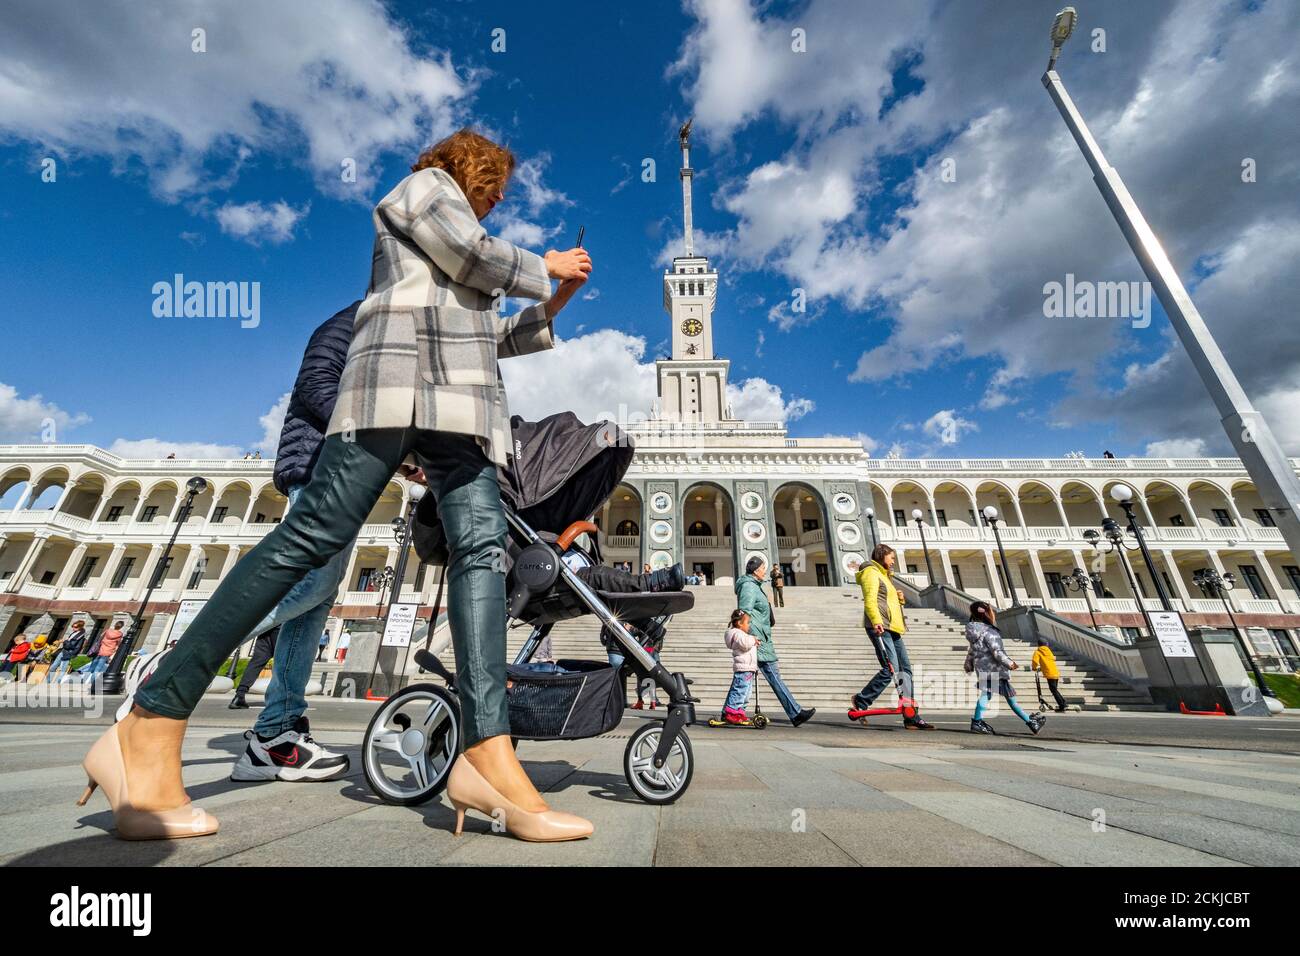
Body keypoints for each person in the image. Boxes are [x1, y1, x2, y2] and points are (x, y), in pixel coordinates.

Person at [82, 128, 593, 843]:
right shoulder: (422, 192)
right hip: (394, 386)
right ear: (466, 166)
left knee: (482, 553)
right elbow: (476, 254)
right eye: (495, 182)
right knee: (313, 535)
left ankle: (487, 752)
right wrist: (545, 262)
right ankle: (151, 718)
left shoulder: (460, 268)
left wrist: (558, 297)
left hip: (460, 408)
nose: (500, 196)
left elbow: (493, 336)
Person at [852, 545, 934, 730]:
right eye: (891, 557)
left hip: (894, 627)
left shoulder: (884, 575)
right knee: (890, 669)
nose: (893, 560)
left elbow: (886, 601)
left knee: (905, 671)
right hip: (881, 626)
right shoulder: (870, 572)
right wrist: (875, 620)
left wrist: (899, 599)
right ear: (882, 556)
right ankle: (861, 699)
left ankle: (911, 715)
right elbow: (870, 599)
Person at [736, 554, 815, 727]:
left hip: (761, 635)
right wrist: (748, 636)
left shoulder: (754, 585)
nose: (765, 572)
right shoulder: (749, 587)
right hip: (757, 638)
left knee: (745, 674)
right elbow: (744, 612)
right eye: (763, 568)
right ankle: (795, 713)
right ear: (757, 571)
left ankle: (733, 710)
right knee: (770, 675)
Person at [964, 601, 1046, 735]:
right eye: (991, 611)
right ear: (986, 613)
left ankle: (978, 722)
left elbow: (972, 651)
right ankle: (1030, 722)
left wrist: (968, 664)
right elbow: (997, 651)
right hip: (995, 669)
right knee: (1004, 697)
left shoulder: (973, 632)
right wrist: (1010, 663)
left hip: (983, 669)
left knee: (989, 695)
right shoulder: (989, 631)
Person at [228, 626, 278, 710]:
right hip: (283, 628)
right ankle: (282, 700)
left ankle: (239, 696)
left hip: (266, 628)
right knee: (285, 662)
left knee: (256, 663)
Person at [722, 608, 757, 724]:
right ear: (739, 623)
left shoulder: (741, 634)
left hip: (748, 668)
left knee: (747, 693)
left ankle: (739, 711)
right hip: (743, 668)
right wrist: (753, 639)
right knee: (739, 690)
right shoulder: (737, 633)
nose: (749, 625)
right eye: (747, 623)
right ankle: (731, 711)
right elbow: (745, 644)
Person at [78, 621, 124, 687]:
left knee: (91, 667)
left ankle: (83, 680)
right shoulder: (120, 634)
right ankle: (92, 682)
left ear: (115, 625)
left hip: (99, 651)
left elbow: (100, 637)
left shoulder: (107, 631)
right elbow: (118, 643)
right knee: (98, 669)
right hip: (107, 652)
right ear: (121, 627)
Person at [1031, 638, 1068, 712]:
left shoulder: (1038, 651)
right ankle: (1063, 703)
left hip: (1049, 674)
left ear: (1038, 645)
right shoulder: (1049, 651)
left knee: (1053, 690)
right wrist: (1042, 668)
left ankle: (1062, 705)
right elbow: (1048, 662)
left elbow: (1035, 661)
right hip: (1055, 672)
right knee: (1054, 690)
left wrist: (1034, 668)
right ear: (1046, 644)